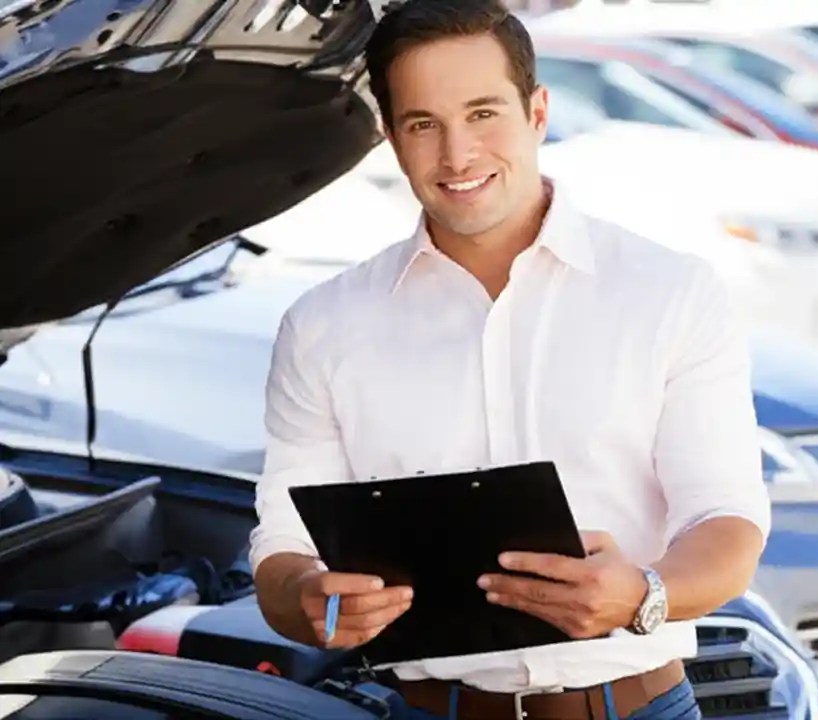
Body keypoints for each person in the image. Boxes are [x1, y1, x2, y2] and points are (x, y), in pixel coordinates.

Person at [248, 1, 771, 718]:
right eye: (423, 125)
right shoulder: (322, 327)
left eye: (483, 113)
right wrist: (302, 596)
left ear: (538, 111)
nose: (457, 155)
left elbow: (726, 519)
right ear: (390, 139)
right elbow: (282, 542)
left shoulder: (670, 293)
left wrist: (646, 592)